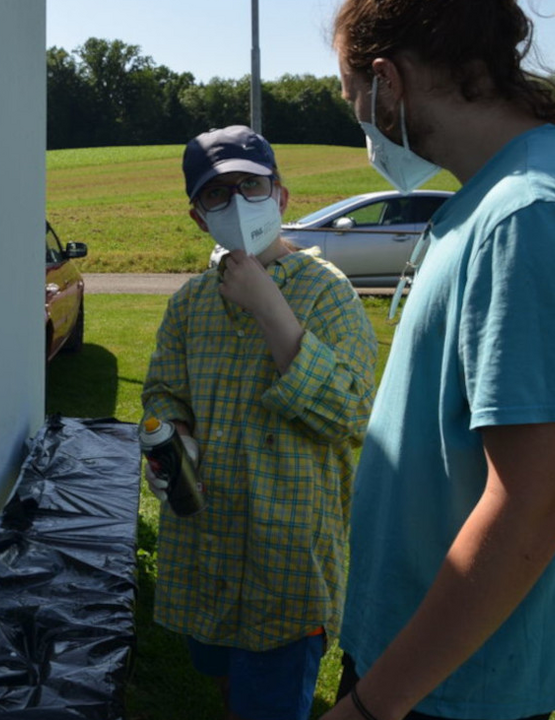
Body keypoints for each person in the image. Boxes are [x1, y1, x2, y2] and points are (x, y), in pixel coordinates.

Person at [322, 2, 555, 719]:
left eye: (351, 93)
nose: (357, 115)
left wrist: (372, 706)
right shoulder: (498, 196)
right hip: (429, 658)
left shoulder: (528, 214)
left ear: (388, 80)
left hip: (450, 685)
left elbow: (533, 504)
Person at [142, 125, 377, 720]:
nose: (237, 202)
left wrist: (271, 308)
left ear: (282, 197)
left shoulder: (329, 296)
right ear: (199, 218)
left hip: (286, 561)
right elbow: (165, 390)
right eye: (217, 195)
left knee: (270, 698)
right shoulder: (191, 302)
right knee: (225, 677)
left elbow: (347, 413)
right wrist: (176, 435)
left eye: (251, 185)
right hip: (207, 546)